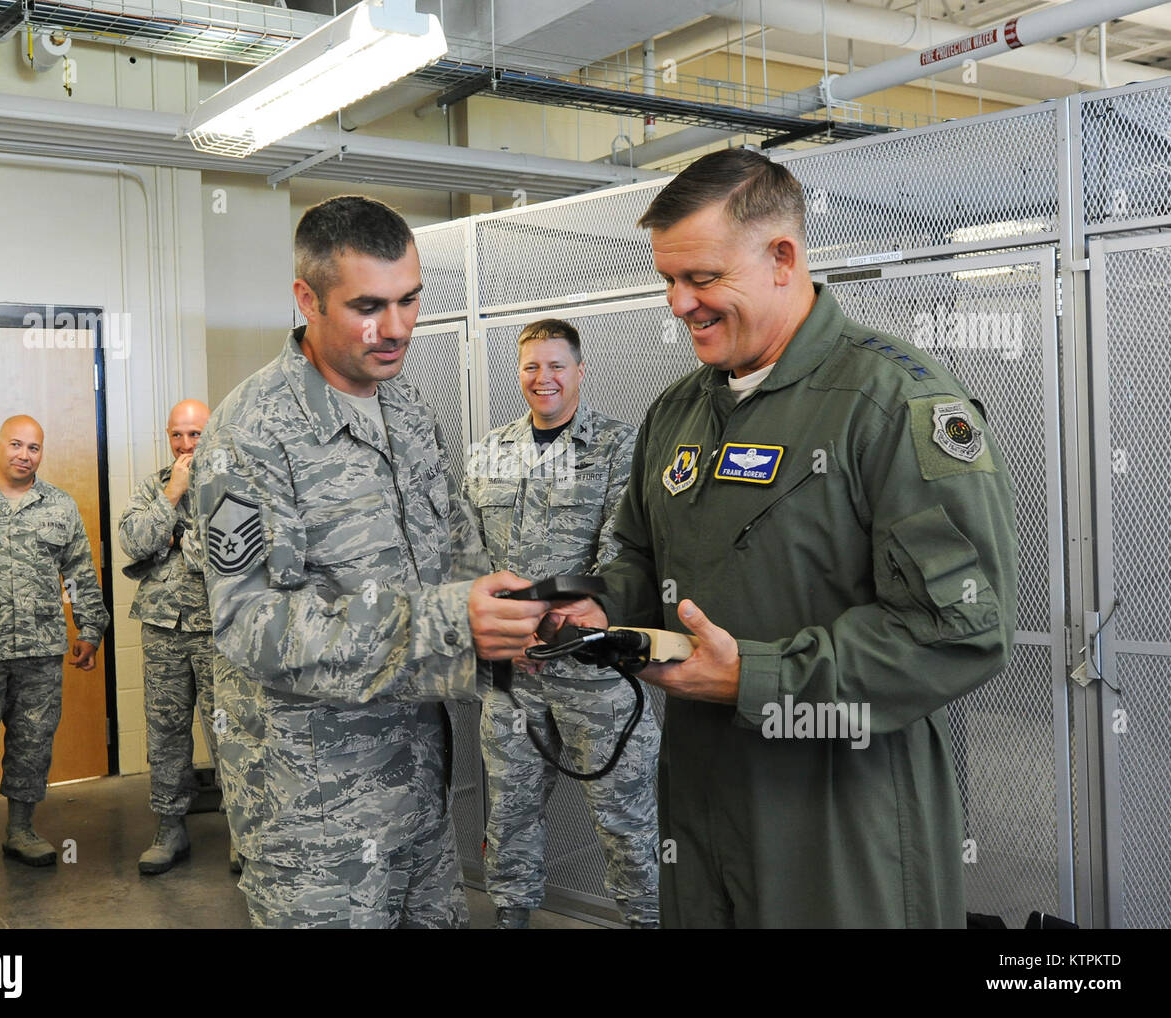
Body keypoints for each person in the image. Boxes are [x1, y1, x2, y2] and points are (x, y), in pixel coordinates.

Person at [554, 149, 1019, 928]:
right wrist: (596, 613)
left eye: (701, 279)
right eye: (667, 280)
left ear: (783, 258)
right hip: (702, 793)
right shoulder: (677, 411)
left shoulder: (893, 402)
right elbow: (637, 553)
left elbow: (962, 630)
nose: (678, 304)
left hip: (843, 807)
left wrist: (756, 680)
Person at [189, 195, 549, 929]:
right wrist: (452, 621)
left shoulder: (408, 409)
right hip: (315, 815)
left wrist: (511, 620)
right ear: (306, 298)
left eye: (410, 300)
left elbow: (453, 550)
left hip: (421, 782)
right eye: (367, 306)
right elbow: (250, 625)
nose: (396, 328)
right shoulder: (249, 432)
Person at [462, 318, 660, 929]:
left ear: (579, 370)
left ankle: (646, 919)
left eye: (556, 366)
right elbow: (467, 552)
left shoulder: (620, 447)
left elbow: (627, 550)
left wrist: (557, 626)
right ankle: (511, 914)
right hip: (512, 676)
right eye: (530, 367)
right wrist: (500, 627)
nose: (542, 379)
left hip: (591, 672)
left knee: (624, 816)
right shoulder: (489, 452)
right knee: (511, 810)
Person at [0, 415, 109, 884]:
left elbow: (77, 573)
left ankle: (21, 830)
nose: (23, 455)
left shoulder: (60, 507)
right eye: (15, 445)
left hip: (40, 650)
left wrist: (90, 627)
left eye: (33, 448)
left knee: (32, 744)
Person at [118, 399, 227, 875]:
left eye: (195, 435)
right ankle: (169, 827)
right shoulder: (156, 485)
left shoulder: (232, 484)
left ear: (213, 433)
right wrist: (170, 499)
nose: (185, 446)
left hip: (217, 629)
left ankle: (245, 833)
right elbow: (133, 542)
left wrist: (177, 539)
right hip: (162, 628)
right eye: (177, 436)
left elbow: (227, 557)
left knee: (227, 729)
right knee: (164, 731)